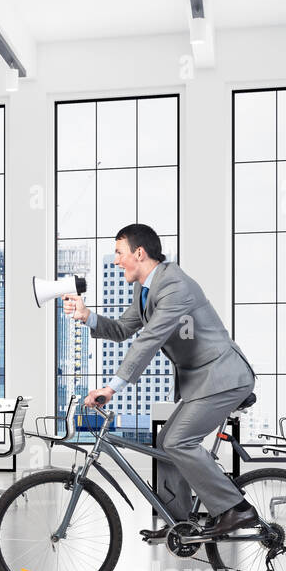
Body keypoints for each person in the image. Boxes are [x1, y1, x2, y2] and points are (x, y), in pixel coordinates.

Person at [62, 223, 259, 536]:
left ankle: (237, 509)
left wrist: (112, 388)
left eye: (119, 253)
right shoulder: (146, 290)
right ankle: (179, 524)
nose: (115, 261)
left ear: (139, 253)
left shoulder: (174, 286)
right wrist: (88, 316)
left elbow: (149, 340)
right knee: (166, 444)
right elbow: (122, 329)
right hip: (203, 382)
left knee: (177, 441)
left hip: (223, 377)